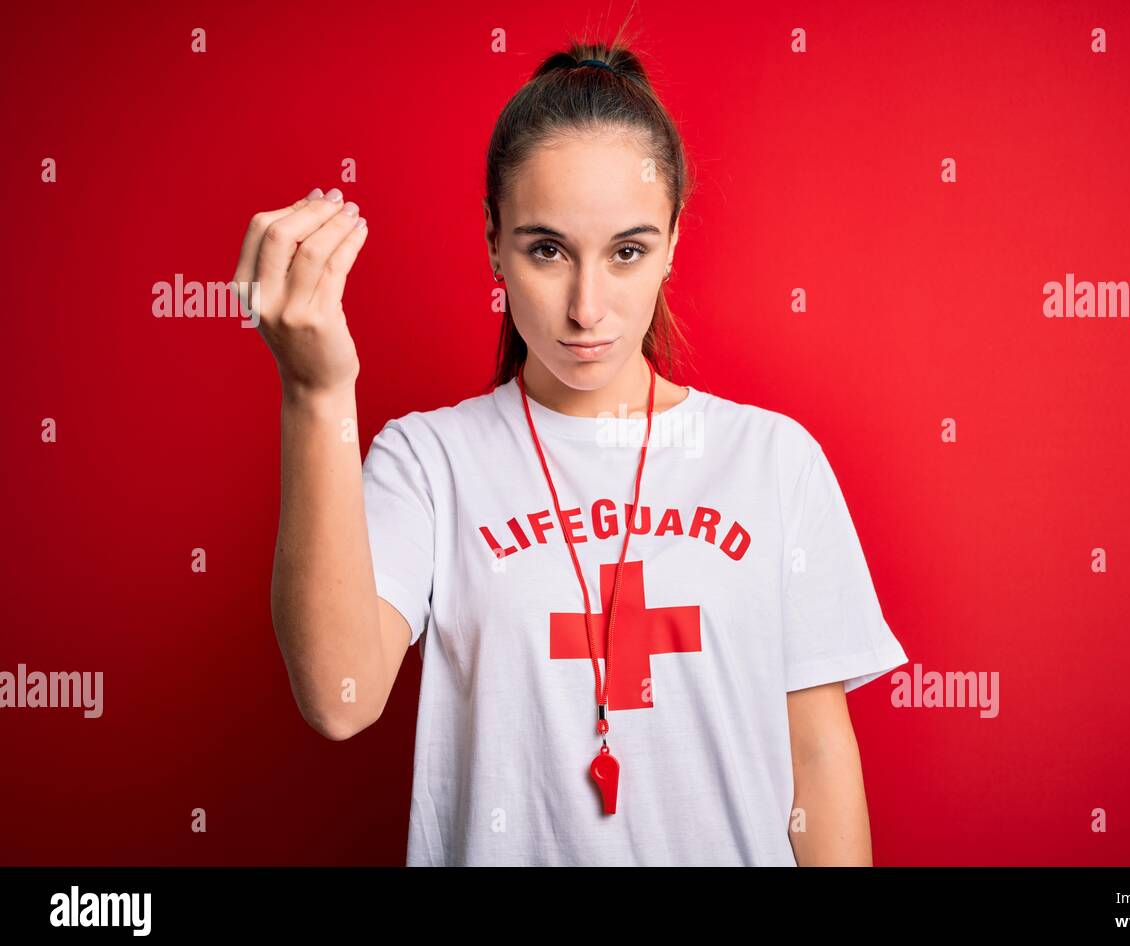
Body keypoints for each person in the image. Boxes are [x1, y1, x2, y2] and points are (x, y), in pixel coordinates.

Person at [239, 34, 909, 866]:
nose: (587, 308)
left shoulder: (776, 461)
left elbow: (818, 762)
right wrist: (315, 394)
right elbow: (340, 698)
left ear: (671, 240)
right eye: (546, 250)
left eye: (627, 252)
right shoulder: (428, 461)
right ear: (493, 242)